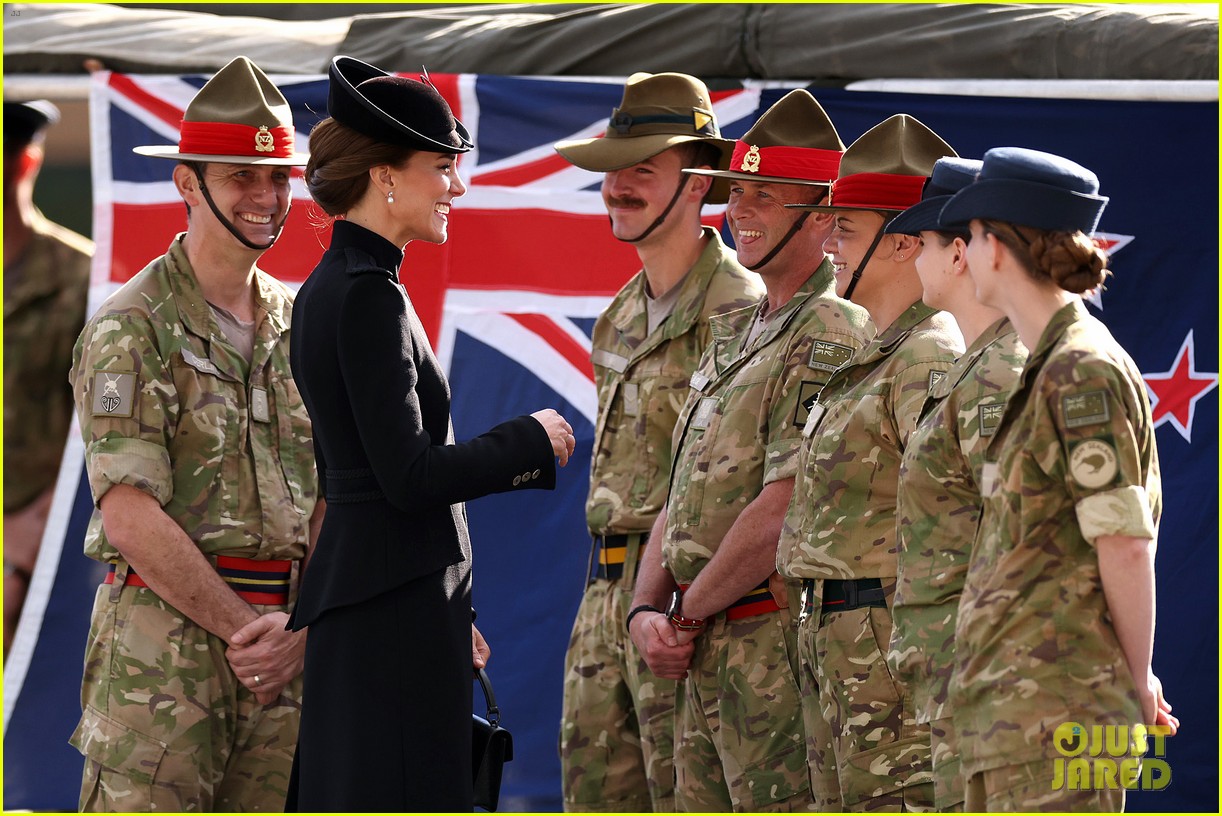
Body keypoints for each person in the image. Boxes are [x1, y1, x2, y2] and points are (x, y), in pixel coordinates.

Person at [285, 56, 575, 812]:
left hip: (393, 598)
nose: (457, 186)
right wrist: (529, 440)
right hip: (389, 614)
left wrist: (457, 605)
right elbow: (406, 476)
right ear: (385, 175)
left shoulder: (345, 286)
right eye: (442, 167)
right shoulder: (365, 297)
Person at [67, 56, 322, 811]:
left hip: (284, 653)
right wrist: (254, 636)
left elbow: (333, 489)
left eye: (278, 178)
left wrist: (296, 635)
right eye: (241, 175)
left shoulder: (303, 321)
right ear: (188, 182)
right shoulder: (132, 326)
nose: (266, 196)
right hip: (164, 656)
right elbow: (129, 513)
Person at [629, 89, 874, 812]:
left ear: (823, 214)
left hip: (766, 645)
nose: (741, 209)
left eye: (767, 195)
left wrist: (683, 615)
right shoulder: (736, 327)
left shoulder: (831, 325)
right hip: (701, 642)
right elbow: (680, 487)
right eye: (738, 191)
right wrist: (647, 606)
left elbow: (785, 505)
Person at [938, 146, 1177, 811]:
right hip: (1018, 717)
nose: (964, 249)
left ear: (995, 246)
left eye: (972, 234)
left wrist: (1135, 681)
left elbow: (1123, 542)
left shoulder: (1079, 369)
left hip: (1059, 719)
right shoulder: (1050, 365)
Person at [552, 71, 762, 813]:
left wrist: (679, 610)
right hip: (605, 595)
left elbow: (747, 490)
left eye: (645, 169)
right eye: (615, 171)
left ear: (699, 181)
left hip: (687, 610)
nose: (619, 188)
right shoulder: (619, 316)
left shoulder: (742, 311)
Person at [776, 114, 963, 811]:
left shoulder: (929, 357)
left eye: (845, 230)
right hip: (841, 652)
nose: (827, 246)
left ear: (904, 242)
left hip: (891, 656)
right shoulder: (874, 354)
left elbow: (960, 523)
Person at [880, 156, 1028, 812]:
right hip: (955, 677)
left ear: (959, 253)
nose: (914, 260)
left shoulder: (999, 372)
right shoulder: (973, 366)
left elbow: (1023, 535)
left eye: (926, 244)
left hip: (989, 686)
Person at [3, 99, 93, 656]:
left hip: (38, 563)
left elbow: (97, 434)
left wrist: (19, 546)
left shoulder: (85, 281)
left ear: (24, 164)